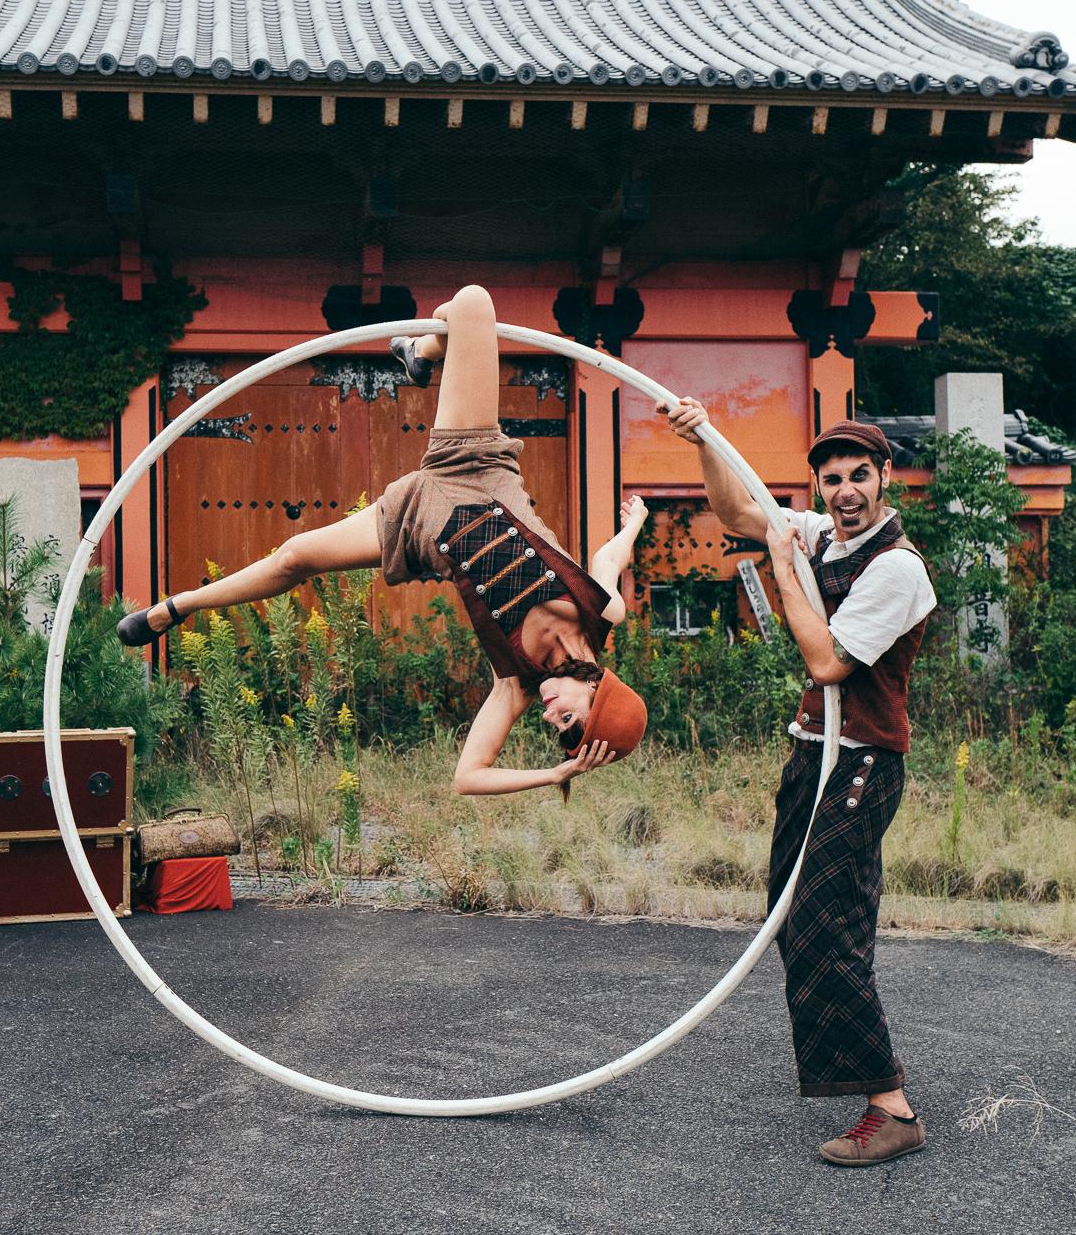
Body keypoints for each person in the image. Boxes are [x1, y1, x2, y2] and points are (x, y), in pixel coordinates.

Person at [120, 285, 649, 797]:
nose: (551, 716)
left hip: (419, 526)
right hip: (476, 461)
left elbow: (468, 777)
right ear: (598, 689)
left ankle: (177, 607)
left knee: (294, 557)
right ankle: (424, 351)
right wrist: (633, 526)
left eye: (556, 728)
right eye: (569, 718)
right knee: (472, 302)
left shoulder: (515, 684)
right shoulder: (602, 612)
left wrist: (555, 774)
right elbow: (607, 557)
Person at [663, 400, 935, 1167]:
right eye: (832, 479)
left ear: (885, 479)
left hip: (862, 763)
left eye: (859, 476)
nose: (845, 492)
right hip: (813, 753)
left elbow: (827, 662)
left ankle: (892, 1108)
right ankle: (863, 1076)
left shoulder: (897, 569)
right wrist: (704, 439)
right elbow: (737, 511)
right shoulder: (822, 535)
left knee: (822, 923)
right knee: (798, 921)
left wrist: (783, 568)